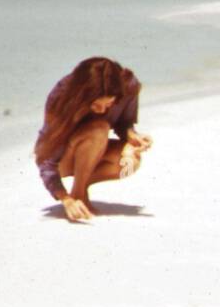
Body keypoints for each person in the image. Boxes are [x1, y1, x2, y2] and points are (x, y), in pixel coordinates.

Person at [33, 57, 152, 221]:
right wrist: (65, 199)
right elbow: (46, 159)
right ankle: (78, 196)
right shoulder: (62, 95)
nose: (102, 111)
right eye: (96, 105)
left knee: (131, 160)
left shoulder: (128, 87)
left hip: (91, 151)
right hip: (62, 158)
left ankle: (80, 188)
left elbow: (124, 123)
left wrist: (132, 136)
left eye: (109, 105)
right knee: (100, 128)